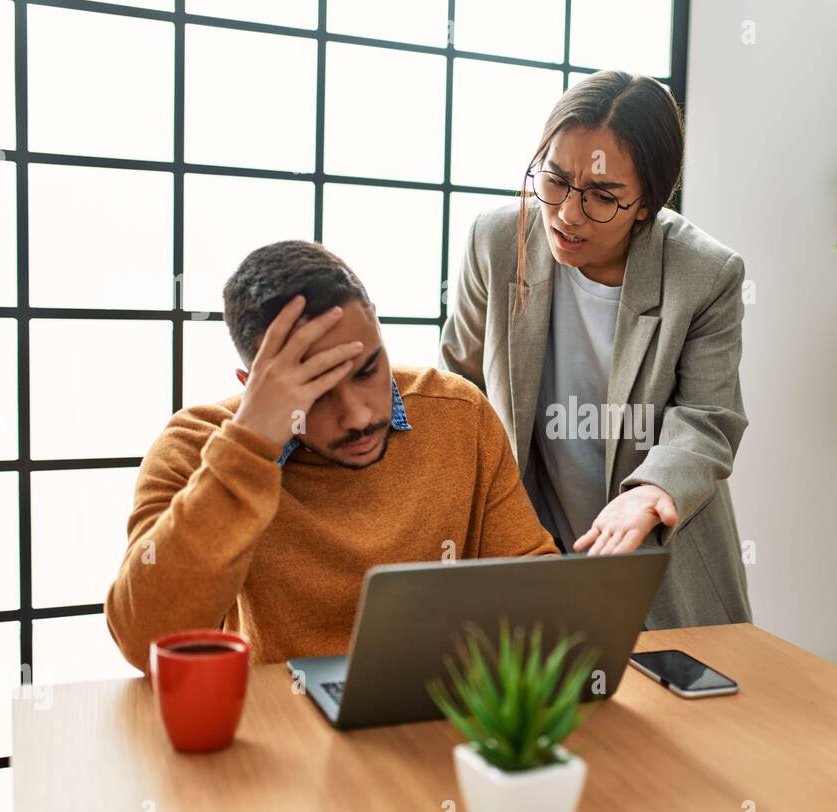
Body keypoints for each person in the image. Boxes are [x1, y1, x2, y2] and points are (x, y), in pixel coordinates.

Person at [106, 240, 556, 672]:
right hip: (283, 726)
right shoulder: (198, 446)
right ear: (254, 386)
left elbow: (537, 590)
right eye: (317, 393)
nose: (358, 416)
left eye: (367, 371)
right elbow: (145, 642)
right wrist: (250, 444)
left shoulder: (457, 414)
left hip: (432, 715)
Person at [441, 70, 750, 628]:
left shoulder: (704, 273)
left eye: (603, 196)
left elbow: (708, 418)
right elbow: (460, 390)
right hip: (530, 549)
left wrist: (651, 490)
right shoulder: (494, 241)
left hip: (663, 558)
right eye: (555, 180)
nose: (567, 214)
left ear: (647, 203)